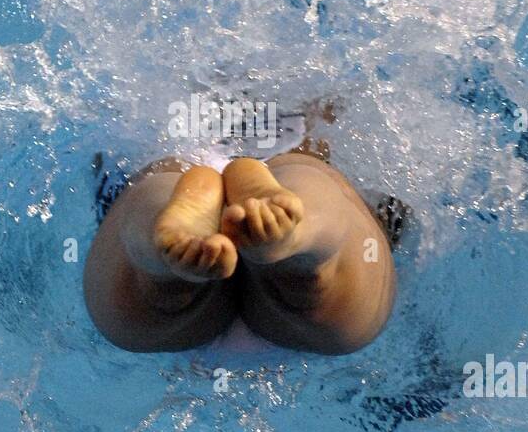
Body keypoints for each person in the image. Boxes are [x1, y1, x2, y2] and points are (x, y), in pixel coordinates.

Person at [83, 145, 399, 356]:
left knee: (152, 186)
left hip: (169, 334)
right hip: (303, 330)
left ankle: (164, 249)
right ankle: (292, 235)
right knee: (314, 177)